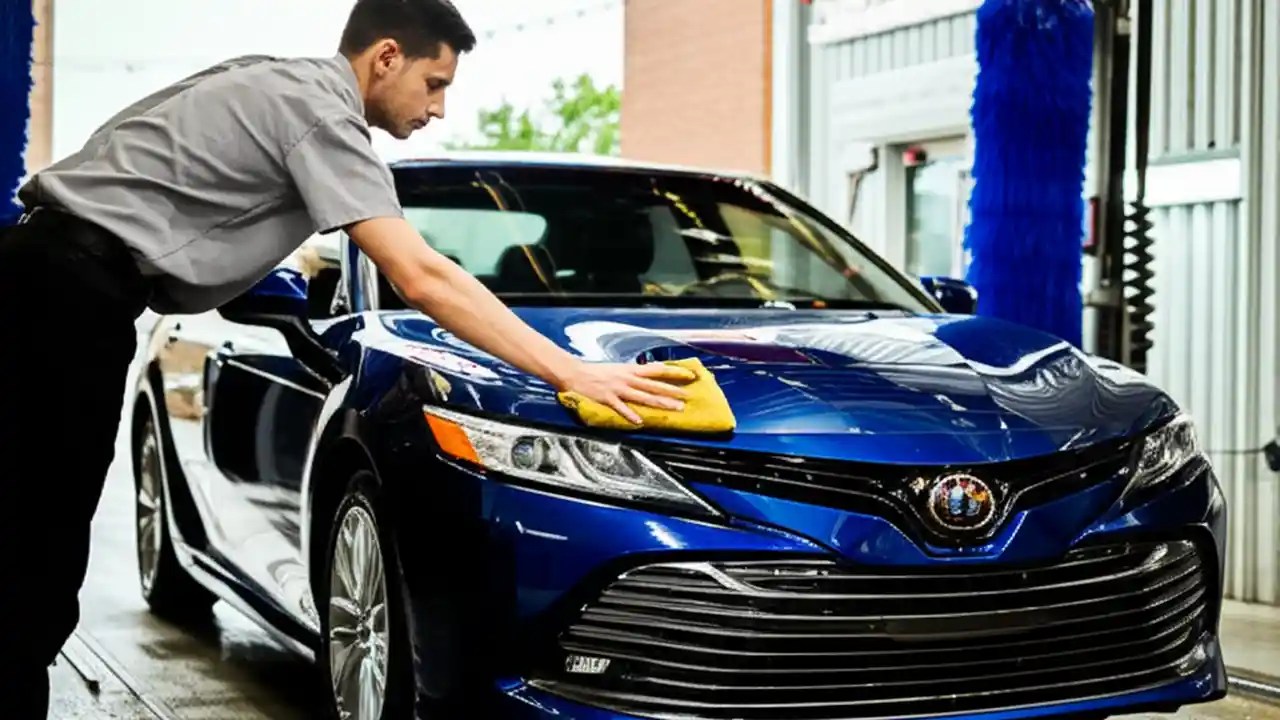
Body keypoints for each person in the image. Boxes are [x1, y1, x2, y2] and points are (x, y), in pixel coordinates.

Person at [0, 0, 687, 716]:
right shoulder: (324, 117)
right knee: (34, 559)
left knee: (26, 542)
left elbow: (182, 185)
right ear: (387, 57)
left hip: (43, 273)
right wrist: (572, 372)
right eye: (435, 84)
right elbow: (422, 276)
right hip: (67, 297)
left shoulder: (271, 81)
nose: (440, 109)